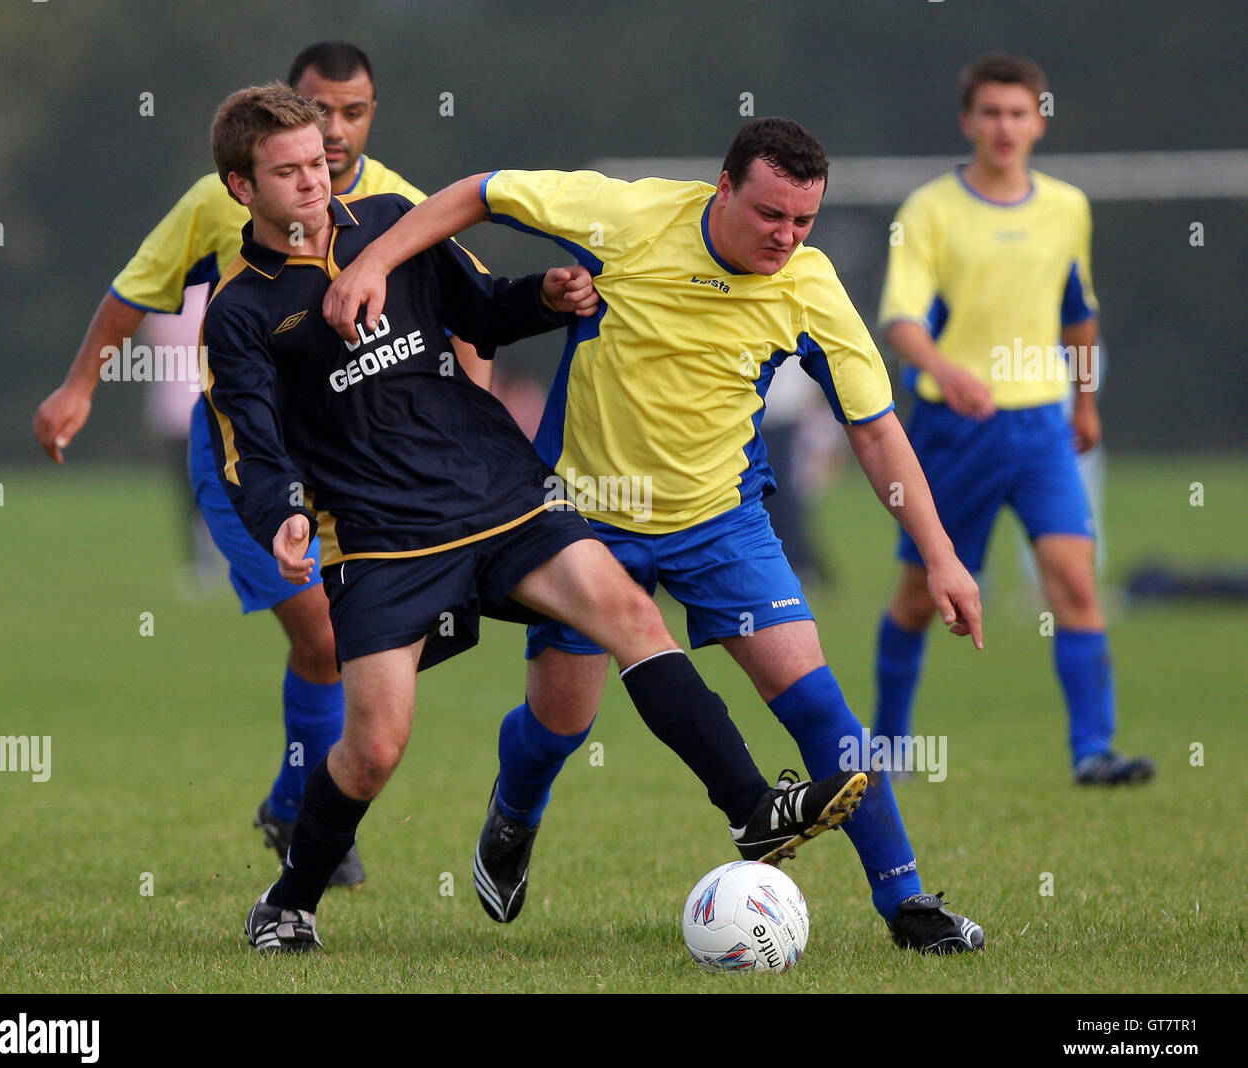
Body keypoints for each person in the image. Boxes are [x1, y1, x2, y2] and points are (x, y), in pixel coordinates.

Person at [203, 85, 868, 953]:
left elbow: (480, 311)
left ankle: (751, 809)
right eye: (285, 171)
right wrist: (284, 514)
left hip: (498, 493)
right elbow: (248, 443)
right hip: (381, 537)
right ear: (239, 186)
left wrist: (547, 298)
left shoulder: (391, 225)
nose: (313, 183)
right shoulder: (240, 312)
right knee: (373, 748)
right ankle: (289, 900)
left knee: (629, 612)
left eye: (319, 164)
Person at [322, 117, 988, 954]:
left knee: (816, 699)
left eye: (804, 221)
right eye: (770, 215)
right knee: (561, 721)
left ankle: (908, 904)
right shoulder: (625, 216)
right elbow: (477, 193)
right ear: (724, 188)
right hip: (583, 517)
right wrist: (376, 261)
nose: (786, 237)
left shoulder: (811, 287)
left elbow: (877, 429)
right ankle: (513, 813)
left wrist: (940, 555)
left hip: (722, 522)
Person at [32, 42, 472, 888]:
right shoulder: (217, 200)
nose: (333, 133)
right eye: (317, 112)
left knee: (350, 642)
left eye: (354, 113)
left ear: (372, 114)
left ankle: (292, 802)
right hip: (246, 450)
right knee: (320, 631)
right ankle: (312, 816)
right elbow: (136, 289)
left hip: (356, 453)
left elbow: (463, 308)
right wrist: (80, 384)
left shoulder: (396, 205)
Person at [872, 53, 1153, 786]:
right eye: (990, 112)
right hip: (950, 431)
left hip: (1041, 430)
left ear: (1040, 120)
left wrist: (1085, 400)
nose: (1004, 126)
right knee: (918, 596)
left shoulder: (1066, 208)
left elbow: (1079, 314)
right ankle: (889, 744)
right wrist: (943, 369)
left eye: (1018, 112)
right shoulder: (930, 209)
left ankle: (1093, 751)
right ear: (969, 121)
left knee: (1074, 579)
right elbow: (900, 317)